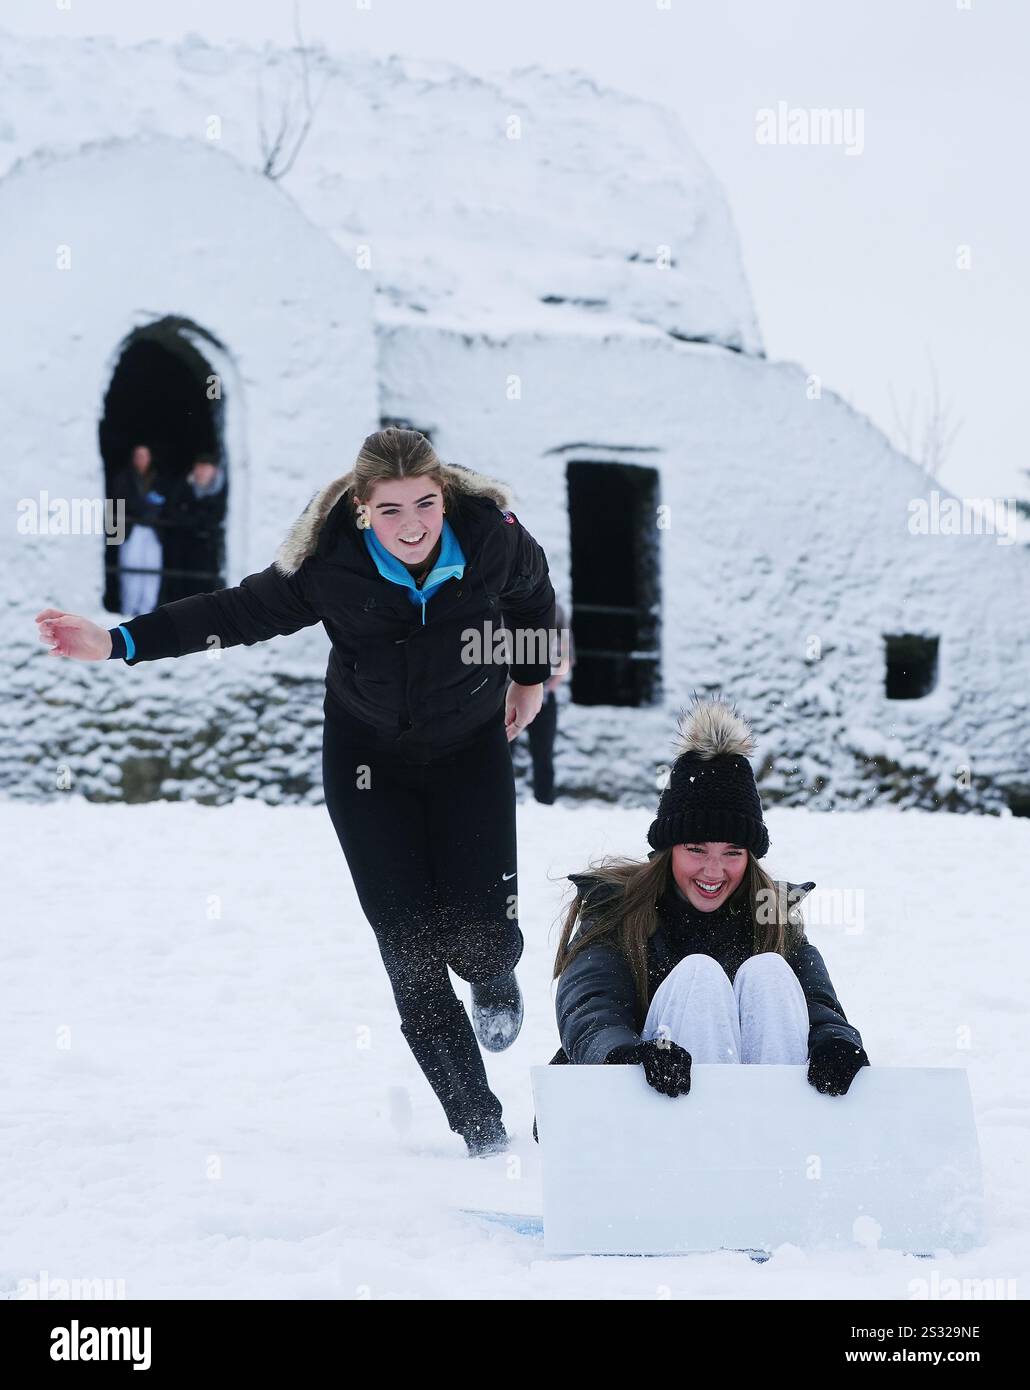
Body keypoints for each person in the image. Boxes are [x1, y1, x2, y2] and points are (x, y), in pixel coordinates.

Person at [35, 427, 557, 1158]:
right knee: (406, 942)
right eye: (390, 510)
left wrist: (529, 678)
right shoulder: (330, 565)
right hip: (366, 759)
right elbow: (234, 613)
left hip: (470, 749)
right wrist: (118, 641)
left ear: (446, 493)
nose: (412, 525)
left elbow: (534, 595)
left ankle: (493, 973)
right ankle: (478, 1127)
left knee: (479, 931)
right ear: (360, 511)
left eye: (426, 504)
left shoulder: (493, 536)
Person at [533, 695, 868, 1139]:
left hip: (762, 1129)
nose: (714, 871)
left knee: (770, 971)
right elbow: (591, 1008)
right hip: (642, 1117)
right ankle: (698, 1151)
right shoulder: (617, 907)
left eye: (732, 853)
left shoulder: (772, 914)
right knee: (700, 978)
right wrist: (626, 1055)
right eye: (696, 850)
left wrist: (835, 1044)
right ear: (669, 849)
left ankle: (781, 1147)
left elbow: (816, 1004)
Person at [511, 593, 574, 804]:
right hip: (508, 695)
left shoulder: (558, 610)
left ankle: (545, 804)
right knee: (503, 752)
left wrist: (548, 688)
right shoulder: (507, 605)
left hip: (545, 695)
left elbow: (566, 654)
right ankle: (498, 801)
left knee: (543, 754)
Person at [162, 454, 227, 601]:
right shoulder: (183, 486)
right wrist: (195, 520)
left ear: (214, 471)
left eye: (205, 469)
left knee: (204, 582)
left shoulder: (221, 490)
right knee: (181, 583)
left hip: (208, 546)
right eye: (199, 469)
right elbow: (172, 510)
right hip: (183, 542)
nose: (201, 473)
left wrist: (191, 516)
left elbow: (217, 515)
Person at [111, 443, 166, 614]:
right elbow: (117, 505)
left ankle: (147, 612)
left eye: (145, 456)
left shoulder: (158, 479)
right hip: (131, 530)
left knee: (151, 572)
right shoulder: (123, 479)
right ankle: (128, 610)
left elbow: (165, 504)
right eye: (138, 456)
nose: (142, 460)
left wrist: (152, 513)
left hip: (153, 531)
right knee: (130, 570)